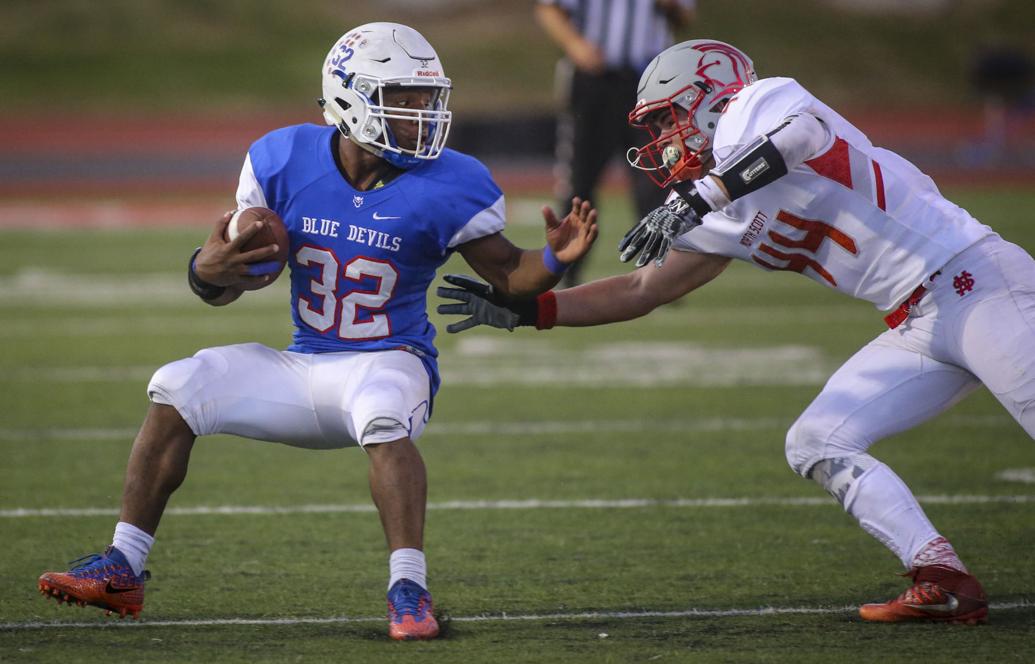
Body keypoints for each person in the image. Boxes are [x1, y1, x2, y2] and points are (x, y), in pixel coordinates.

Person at [438, 38, 1035, 625]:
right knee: (816, 441)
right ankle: (941, 575)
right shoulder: (712, 203)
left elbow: (801, 137)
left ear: (707, 98)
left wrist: (702, 197)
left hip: (976, 282)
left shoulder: (759, 105)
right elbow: (644, 289)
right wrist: (533, 311)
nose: (662, 140)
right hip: (918, 319)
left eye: (667, 119)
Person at [36, 22, 597, 641]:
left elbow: (510, 274)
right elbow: (222, 286)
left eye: (426, 98)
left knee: (383, 411)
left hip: (391, 358)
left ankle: (408, 590)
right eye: (403, 99)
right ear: (350, 100)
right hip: (304, 363)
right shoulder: (281, 159)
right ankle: (123, 566)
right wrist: (205, 270)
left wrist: (554, 259)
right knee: (177, 385)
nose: (421, 114)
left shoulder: (452, 181)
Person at [535, 0, 694, 286]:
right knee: (579, 181)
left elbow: (684, 15)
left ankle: (664, 270)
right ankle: (567, 269)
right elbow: (549, 8)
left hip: (651, 81)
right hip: (594, 79)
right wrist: (576, 45)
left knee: (659, 177)